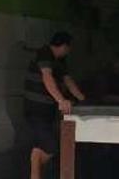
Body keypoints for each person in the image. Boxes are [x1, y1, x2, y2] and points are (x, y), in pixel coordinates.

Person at [24, 31, 85, 179]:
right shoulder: (45, 53)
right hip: (35, 110)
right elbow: (47, 77)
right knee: (50, 146)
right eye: (68, 48)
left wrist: (82, 99)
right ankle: (34, 167)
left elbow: (68, 81)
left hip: (47, 112)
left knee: (42, 147)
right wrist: (61, 100)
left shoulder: (60, 62)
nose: (68, 52)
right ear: (63, 46)